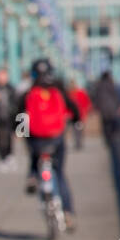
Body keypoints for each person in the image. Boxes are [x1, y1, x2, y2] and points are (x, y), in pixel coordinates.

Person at [17, 58, 81, 231]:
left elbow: (18, 114)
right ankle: (67, 213)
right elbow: (74, 108)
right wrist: (76, 121)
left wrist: (22, 133)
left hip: (37, 138)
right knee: (59, 173)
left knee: (33, 152)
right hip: (56, 137)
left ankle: (32, 176)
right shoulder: (57, 89)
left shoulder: (29, 92)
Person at [92, 70, 120, 143]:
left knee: (105, 123)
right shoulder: (111, 84)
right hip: (112, 107)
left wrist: (95, 106)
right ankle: (112, 136)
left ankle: (107, 138)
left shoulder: (98, 85)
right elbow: (116, 96)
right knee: (113, 121)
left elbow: (96, 97)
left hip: (103, 108)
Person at [69, 80, 91, 150]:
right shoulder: (70, 94)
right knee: (75, 130)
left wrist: (86, 111)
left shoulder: (80, 93)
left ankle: (79, 143)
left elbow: (87, 102)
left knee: (79, 129)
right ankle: (77, 143)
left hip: (80, 115)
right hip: (74, 116)